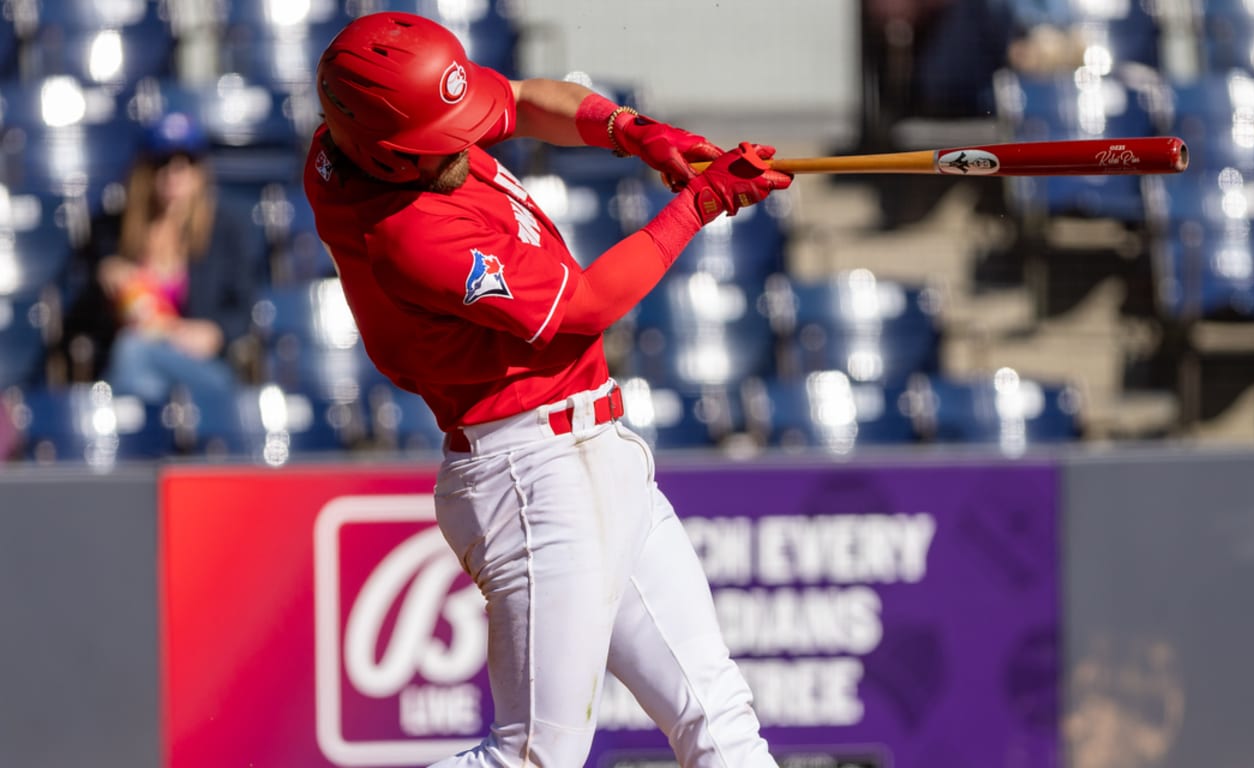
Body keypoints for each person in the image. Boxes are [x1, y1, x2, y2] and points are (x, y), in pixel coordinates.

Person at [303, 12, 792, 768]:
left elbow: (527, 99)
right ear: (387, 154)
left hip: (595, 449)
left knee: (720, 719)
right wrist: (699, 204)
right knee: (534, 757)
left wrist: (637, 132)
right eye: (441, 138)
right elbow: (589, 306)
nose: (466, 142)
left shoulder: (375, 134)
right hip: (528, 472)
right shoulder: (410, 235)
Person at [73, 111, 265, 405]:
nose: (173, 174)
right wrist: (103, 281)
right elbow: (81, 319)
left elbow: (244, 307)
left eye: (185, 162)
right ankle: (158, 437)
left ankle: (128, 436)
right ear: (144, 171)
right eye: (161, 162)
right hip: (142, 368)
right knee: (139, 365)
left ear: (199, 171)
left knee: (132, 350)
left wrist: (215, 333)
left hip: (202, 370)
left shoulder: (226, 229)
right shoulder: (112, 233)